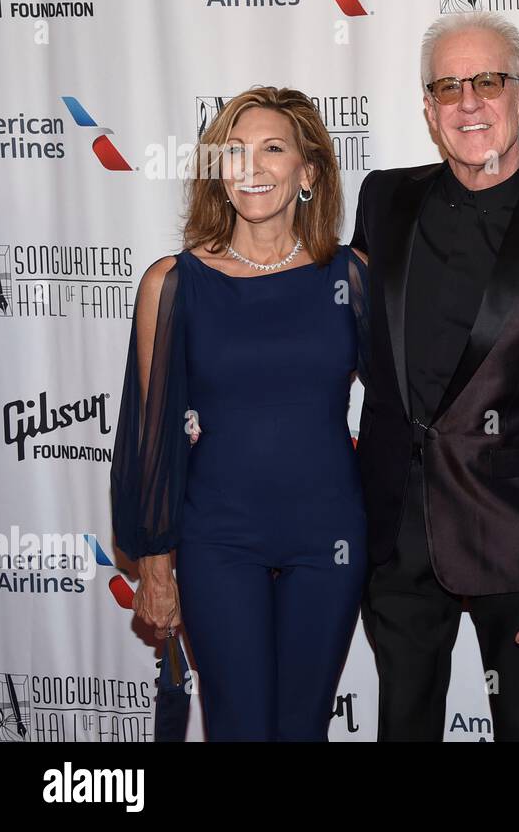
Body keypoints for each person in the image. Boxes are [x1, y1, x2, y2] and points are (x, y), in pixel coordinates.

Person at [352, 11, 519, 742]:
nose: (468, 102)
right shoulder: (383, 201)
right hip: (396, 537)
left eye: (488, 82)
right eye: (448, 87)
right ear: (429, 109)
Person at [112, 86, 369, 741]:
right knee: (239, 729)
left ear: (308, 172)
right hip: (218, 539)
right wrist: (155, 561)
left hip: (330, 538)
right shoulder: (173, 283)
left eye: (273, 148)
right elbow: (151, 434)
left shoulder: (352, 277)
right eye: (234, 151)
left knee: (303, 729)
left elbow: (403, 412)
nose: (251, 167)